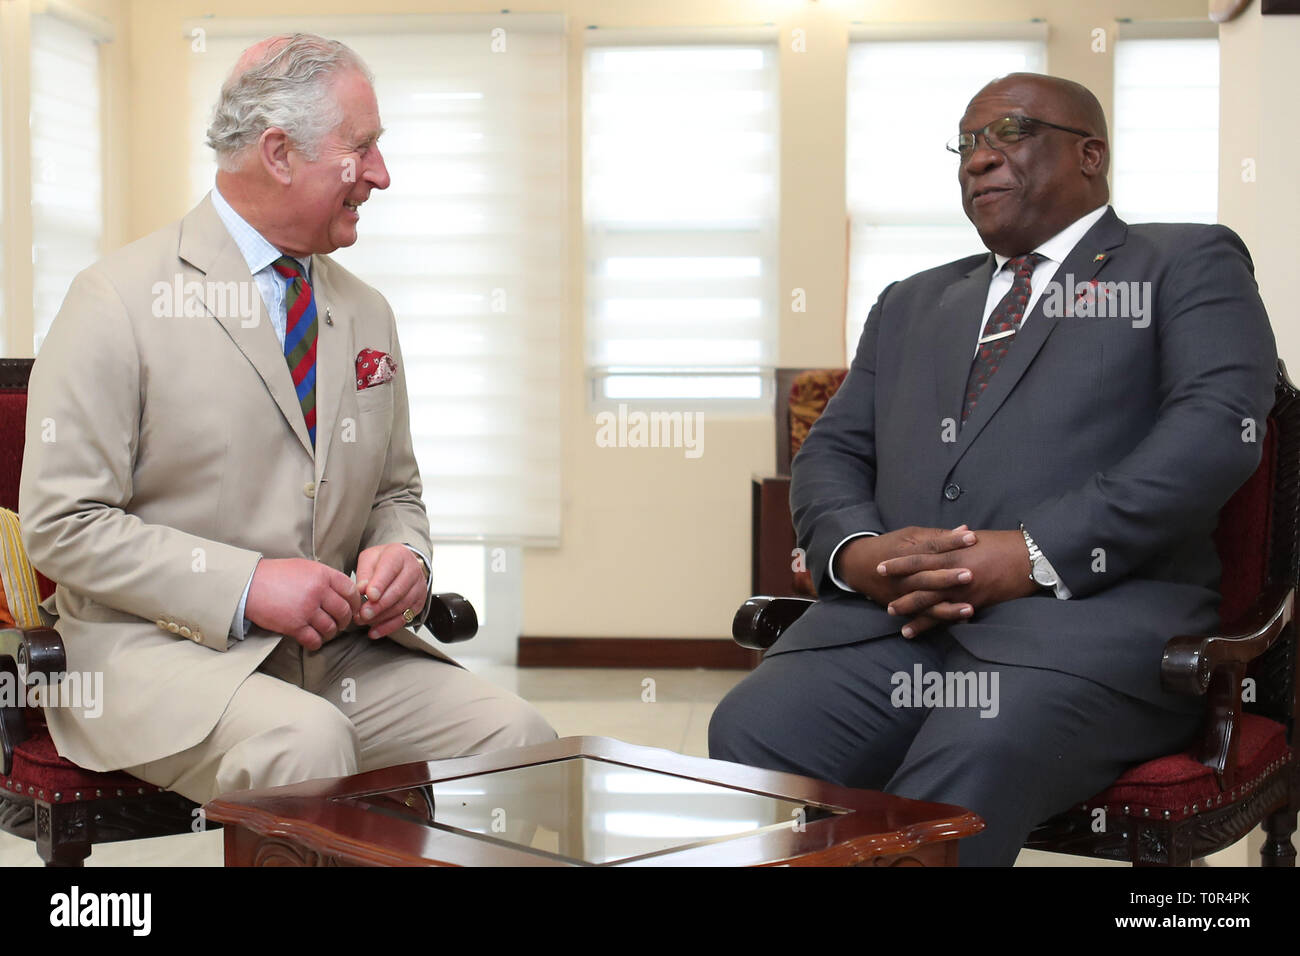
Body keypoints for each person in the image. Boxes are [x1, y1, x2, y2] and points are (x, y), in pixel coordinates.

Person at [708, 72, 1277, 865]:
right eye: (967, 144)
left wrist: (1036, 551)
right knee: (752, 728)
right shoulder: (909, 303)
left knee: (971, 754)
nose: (979, 160)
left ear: (1091, 154)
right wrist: (857, 553)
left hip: (1079, 637)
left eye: (1009, 132)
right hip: (888, 630)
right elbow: (833, 451)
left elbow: (1217, 431)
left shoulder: (1184, 262)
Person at [19, 33, 554, 804]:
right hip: (155, 655)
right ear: (278, 153)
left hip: (340, 657)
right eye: (361, 148)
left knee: (522, 742)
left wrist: (405, 557)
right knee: (309, 741)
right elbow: (63, 524)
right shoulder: (114, 301)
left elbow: (396, 494)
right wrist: (247, 586)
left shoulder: (368, 312)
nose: (380, 174)